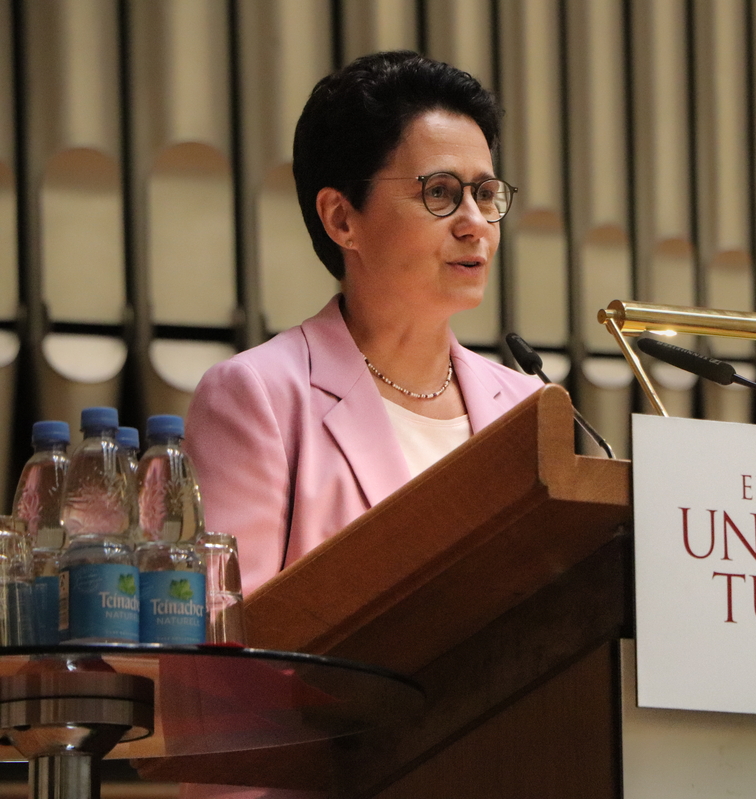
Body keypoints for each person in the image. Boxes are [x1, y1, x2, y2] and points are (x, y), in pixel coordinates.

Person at [180, 49, 543, 799]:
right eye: (440, 194)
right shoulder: (258, 395)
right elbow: (226, 681)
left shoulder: (528, 407)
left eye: (485, 194)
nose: (475, 224)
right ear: (342, 216)